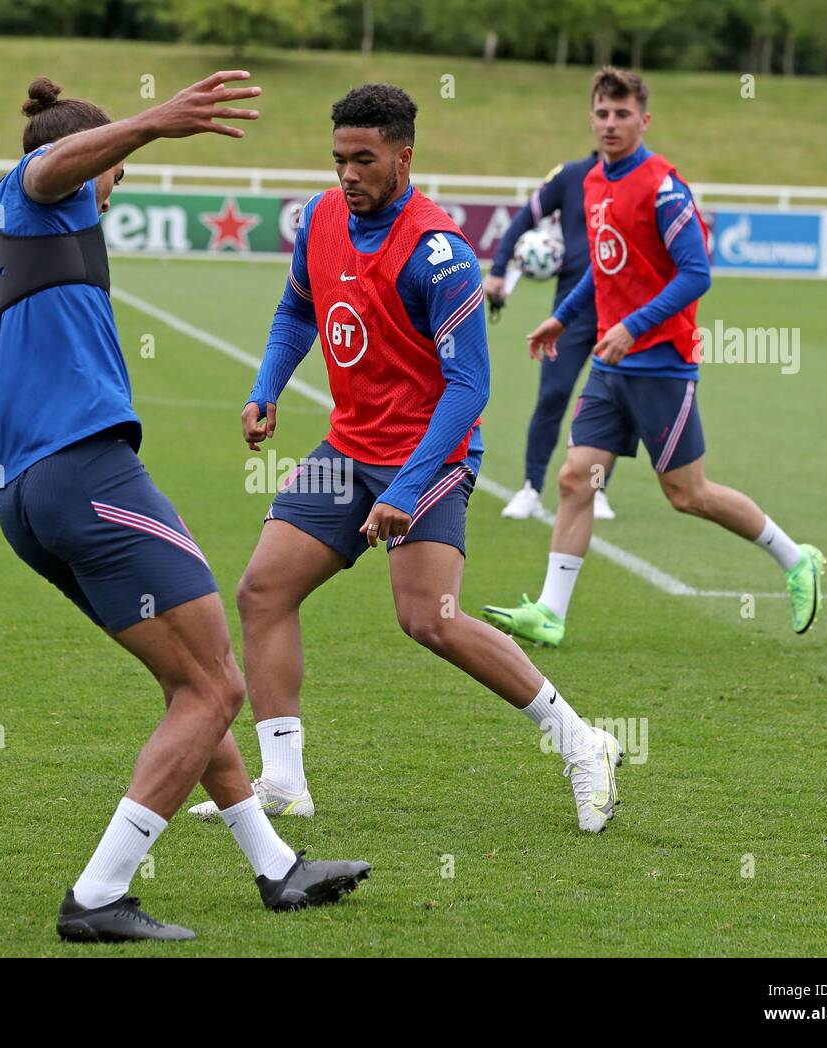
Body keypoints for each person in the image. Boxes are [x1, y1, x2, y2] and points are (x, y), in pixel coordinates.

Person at [0, 73, 369, 944]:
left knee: (190, 681)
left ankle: (275, 867)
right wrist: (154, 123)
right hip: (88, 476)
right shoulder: (38, 195)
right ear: (89, 165)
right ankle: (99, 894)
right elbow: (51, 169)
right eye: (116, 174)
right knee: (216, 686)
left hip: (24, 501)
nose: (114, 188)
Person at [190, 84, 622, 834]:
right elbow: (299, 308)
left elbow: (470, 387)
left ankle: (584, 744)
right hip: (348, 447)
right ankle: (285, 780)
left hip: (430, 453)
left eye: (364, 160)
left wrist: (410, 487)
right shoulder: (322, 219)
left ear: (403, 155)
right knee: (262, 591)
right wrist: (267, 389)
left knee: (430, 618)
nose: (348, 176)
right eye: (338, 161)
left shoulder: (440, 253)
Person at [481, 67, 825, 649]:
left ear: (644, 119)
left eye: (622, 114)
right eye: (602, 113)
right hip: (613, 367)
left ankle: (796, 559)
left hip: (661, 364)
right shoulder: (592, 182)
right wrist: (563, 316)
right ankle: (550, 611)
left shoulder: (663, 186)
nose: (610, 124)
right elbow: (605, 265)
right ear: (591, 118)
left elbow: (697, 274)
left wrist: (633, 326)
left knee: (687, 494)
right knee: (573, 479)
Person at [484, 151, 619, 522]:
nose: (610, 125)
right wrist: (498, 271)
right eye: (603, 113)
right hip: (571, 310)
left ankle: (597, 488)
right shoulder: (571, 175)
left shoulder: (640, 179)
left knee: (611, 401)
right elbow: (524, 219)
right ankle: (531, 488)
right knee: (553, 395)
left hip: (622, 310)